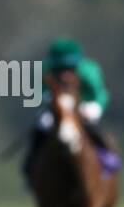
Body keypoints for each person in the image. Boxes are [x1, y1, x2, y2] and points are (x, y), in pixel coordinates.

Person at [21, 37, 116, 177]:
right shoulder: (44, 71)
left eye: (69, 68)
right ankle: (31, 163)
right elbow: (38, 92)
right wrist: (52, 100)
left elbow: (100, 95)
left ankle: (106, 156)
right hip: (57, 107)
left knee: (91, 126)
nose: (65, 74)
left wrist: (93, 108)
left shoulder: (88, 71)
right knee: (42, 126)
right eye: (60, 69)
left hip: (83, 106)